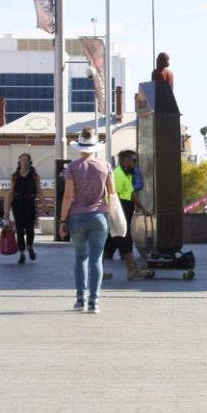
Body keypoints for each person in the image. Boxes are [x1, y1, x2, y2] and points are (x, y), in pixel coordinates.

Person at [59, 127, 117, 314]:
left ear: (79, 146)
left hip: (77, 216)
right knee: (96, 258)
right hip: (99, 216)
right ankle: (94, 302)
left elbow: (68, 195)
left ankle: (80, 299)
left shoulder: (72, 167)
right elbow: (112, 194)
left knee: (80, 257)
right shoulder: (105, 166)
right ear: (95, 146)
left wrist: (62, 220)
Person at [102, 150, 155, 279]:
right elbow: (111, 194)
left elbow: (131, 194)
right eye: (134, 161)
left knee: (110, 241)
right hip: (118, 209)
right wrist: (113, 212)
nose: (136, 164)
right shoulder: (118, 174)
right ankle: (132, 269)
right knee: (124, 237)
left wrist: (143, 208)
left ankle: (95, 270)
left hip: (123, 209)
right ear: (126, 160)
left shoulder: (127, 174)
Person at [3, 153, 39, 264]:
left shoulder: (34, 176)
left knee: (29, 228)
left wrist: (45, 205)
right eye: (22, 160)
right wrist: (7, 210)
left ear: (29, 161)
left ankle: (29, 246)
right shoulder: (14, 176)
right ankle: (22, 254)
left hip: (29, 203)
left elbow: (39, 191)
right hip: (17, 203)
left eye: (26, 160)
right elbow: (10, 193)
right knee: (19, 229)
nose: (24, 162)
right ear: (19, 162)